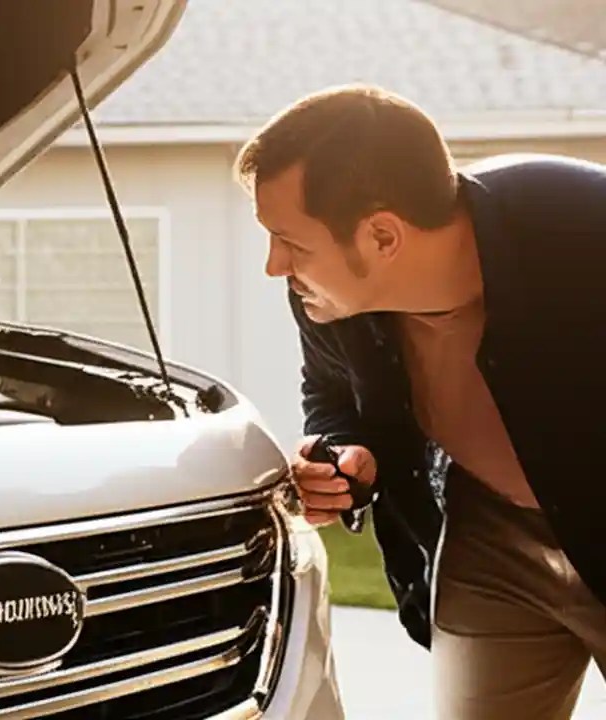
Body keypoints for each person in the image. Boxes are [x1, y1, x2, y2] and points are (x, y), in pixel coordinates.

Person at [234, 83, 606, 719]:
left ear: (383, 236)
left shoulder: (582, 227)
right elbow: (329, 390)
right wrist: (350, 455)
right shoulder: (327, 300)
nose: (274, 265)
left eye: (291, 242)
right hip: (489, 544)